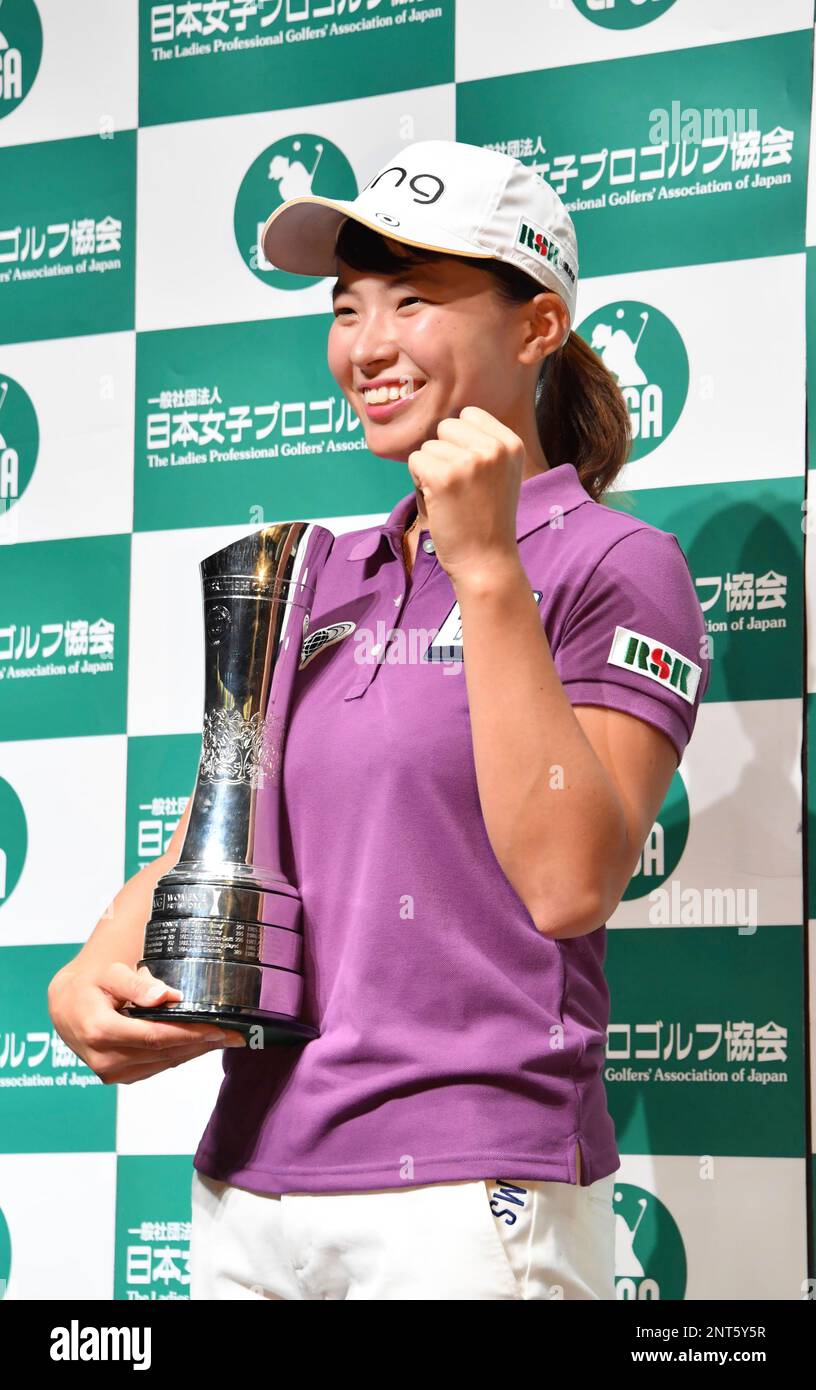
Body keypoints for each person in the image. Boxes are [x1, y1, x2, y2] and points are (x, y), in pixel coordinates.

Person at [48, 139, 710, 1301]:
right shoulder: (316, 572)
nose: (366, 345)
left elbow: (569, 883)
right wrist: (97, 966)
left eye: (413, 300)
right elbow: (227, 827)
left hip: (469, 1196)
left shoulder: (620, 562)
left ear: (538, 327)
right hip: (253, 1184)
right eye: (347, 307)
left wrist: (487, 562)